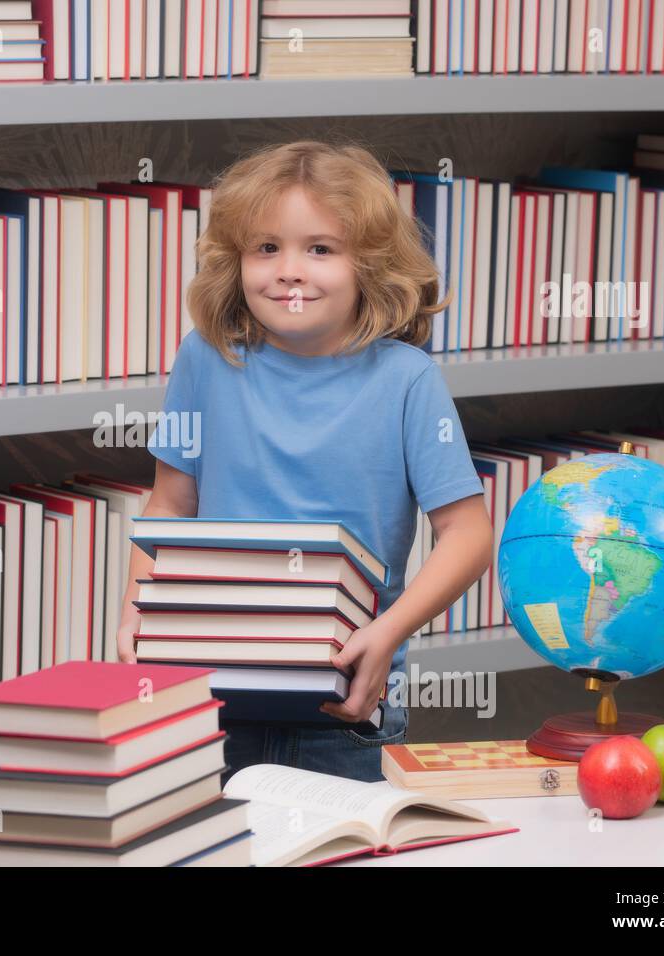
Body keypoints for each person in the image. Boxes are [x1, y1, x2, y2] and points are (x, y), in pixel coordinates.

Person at [115, 140, 493, 785]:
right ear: (234, 261)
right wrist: (136, 608)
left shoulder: (408, 380)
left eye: (320, 249)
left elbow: (469, 535)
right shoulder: (204, 358)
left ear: (368, 264)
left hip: (345, 706)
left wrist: (388, 633)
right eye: (266, 248)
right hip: (210, 696)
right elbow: (171, 504)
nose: (289, 271)